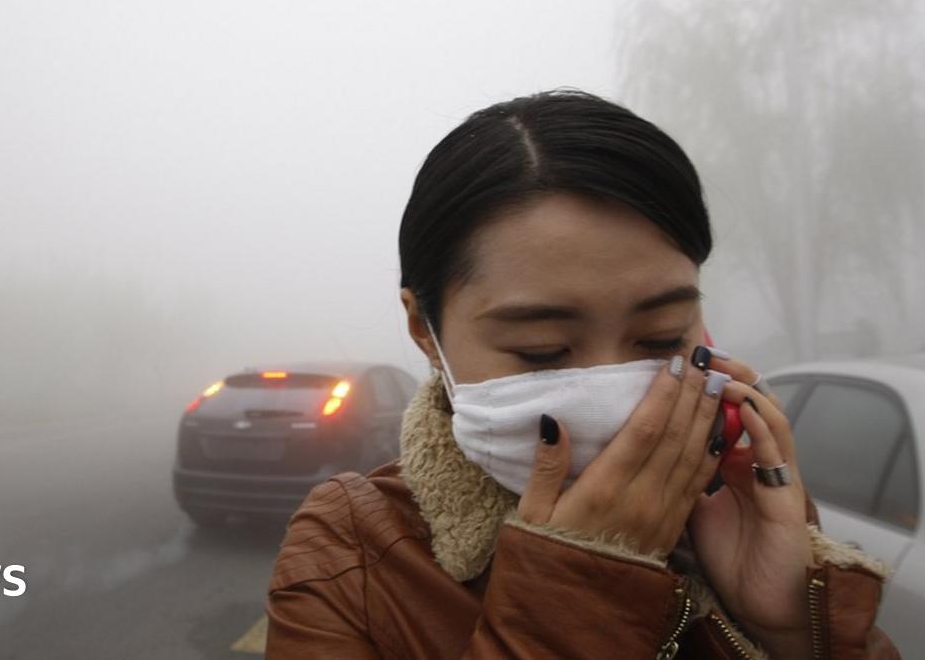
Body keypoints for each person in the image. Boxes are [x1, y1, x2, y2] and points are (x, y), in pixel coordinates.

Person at [264, 89, 900, 659]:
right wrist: (578, 600)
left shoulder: (739, 501)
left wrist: (793, 628)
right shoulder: (351, 553)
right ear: (424, 330)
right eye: (542, 350)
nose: (621, 402)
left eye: (659, 338)